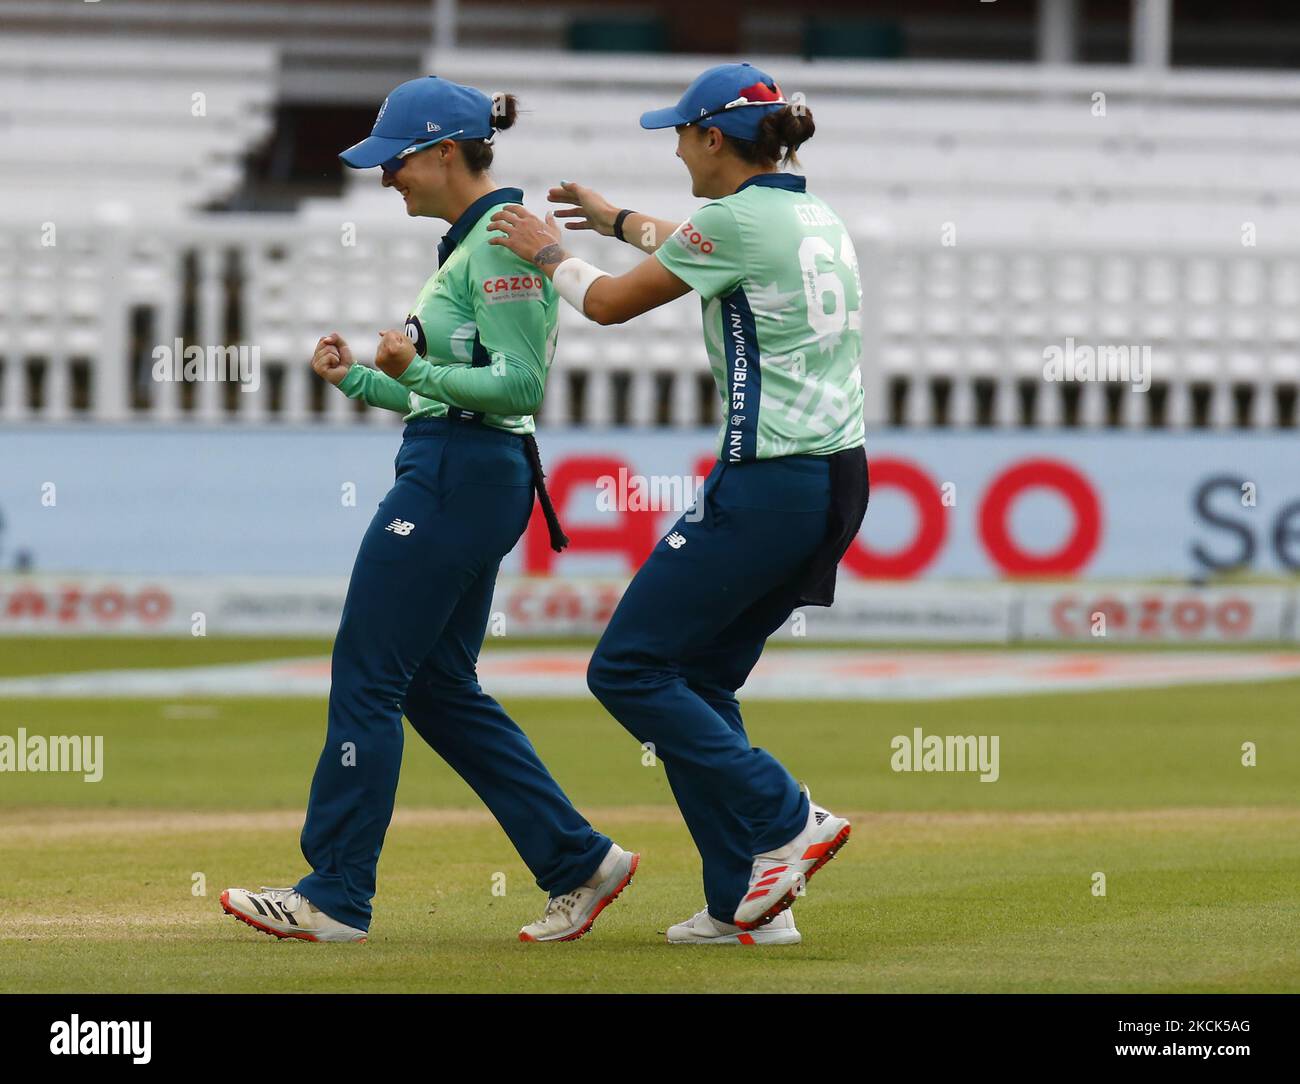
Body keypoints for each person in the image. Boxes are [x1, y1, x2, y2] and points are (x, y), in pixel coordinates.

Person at [221, 76, 636, 945]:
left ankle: (334, 894)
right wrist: (366, 379)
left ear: (447, 152)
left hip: (458, 476)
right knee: (439, 688)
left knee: (367, 674)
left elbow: (517, 387)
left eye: (397, 162)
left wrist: (410, 374)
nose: (385, 180)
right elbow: (454, 394)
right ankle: (579, 861)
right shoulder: (477, 239)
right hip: (468, 469)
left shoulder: (495, 240)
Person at [489, 62, 868, 946]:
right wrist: (616, 218)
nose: (674, 148)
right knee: (698, 680)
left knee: (626, 668)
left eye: (680, 132)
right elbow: (695, 243)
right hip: (837, 477)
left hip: (770, 480)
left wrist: (550, 250)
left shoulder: (733, 221)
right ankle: (746, 901)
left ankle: (789, 818)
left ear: (711, 138)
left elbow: (616, 303)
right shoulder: (809, 212)